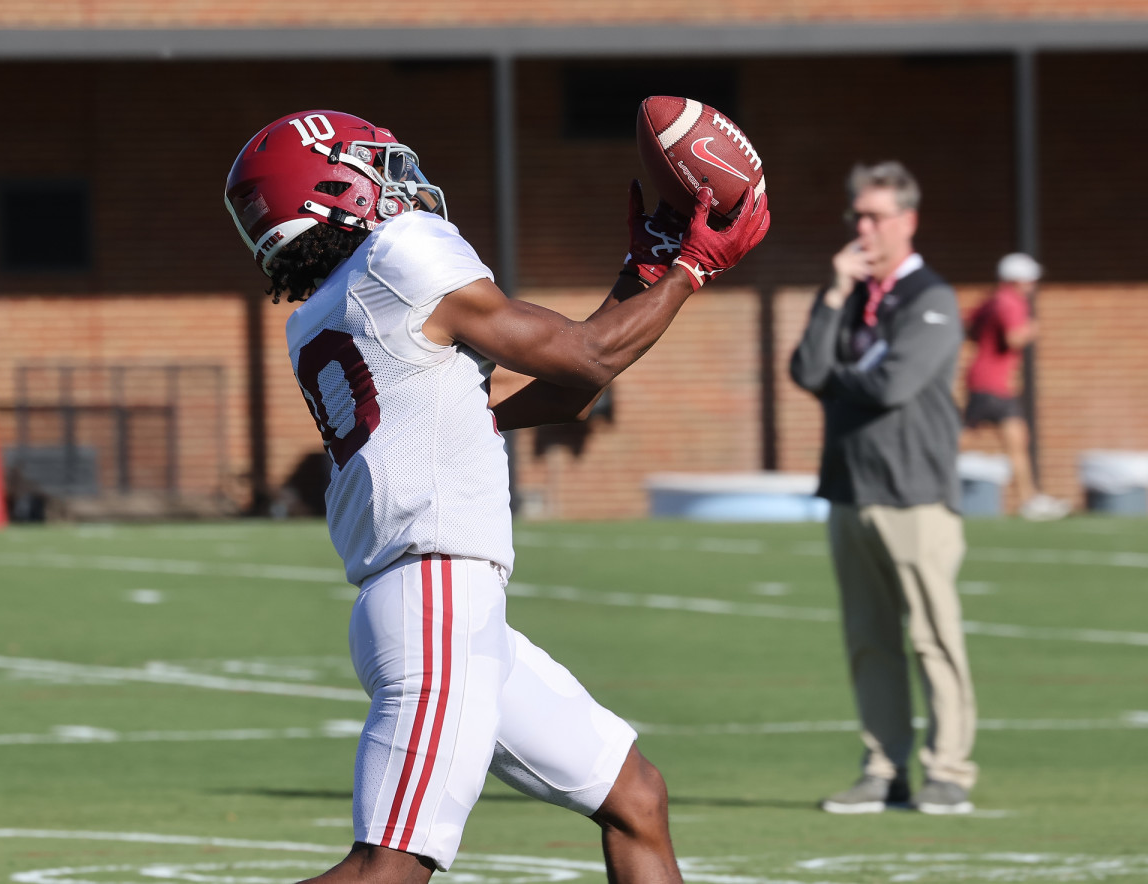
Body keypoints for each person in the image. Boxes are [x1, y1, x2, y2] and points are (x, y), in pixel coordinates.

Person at [223, 110, 770, 884]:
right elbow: (584, 359)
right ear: (337, 185)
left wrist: (643, 273)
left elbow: (554, 394)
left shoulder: (333, 307)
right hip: (438, 592)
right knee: (390, 869)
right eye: (376, 164)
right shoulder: (402, 253)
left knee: (636, 796)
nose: (400, 179)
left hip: (438, 601)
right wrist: (692, 270)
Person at [789, 161, 977, 815]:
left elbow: (894, 386)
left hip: (915, 493)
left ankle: (949, 771)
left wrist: (838, 378)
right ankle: (884, 768)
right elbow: (806, 368)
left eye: (875, 216)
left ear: (907, 220)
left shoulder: (931, 297)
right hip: (848, 490)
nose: (863, 227)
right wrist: (837, 294)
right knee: (869, 639)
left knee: (933, 638)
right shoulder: (844, 291)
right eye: (857, 216)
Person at [963, 253, 1070, 520]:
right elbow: (1013, 338)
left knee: (1016, 439)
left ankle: (1029, 499)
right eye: (1030, 279)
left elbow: (968, 328)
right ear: (1017, 280)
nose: (1033, 285)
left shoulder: (989, 301)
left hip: (984, 378)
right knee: (961, 438)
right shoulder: (1011, 302)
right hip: (993, 382)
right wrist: (1032, 329)